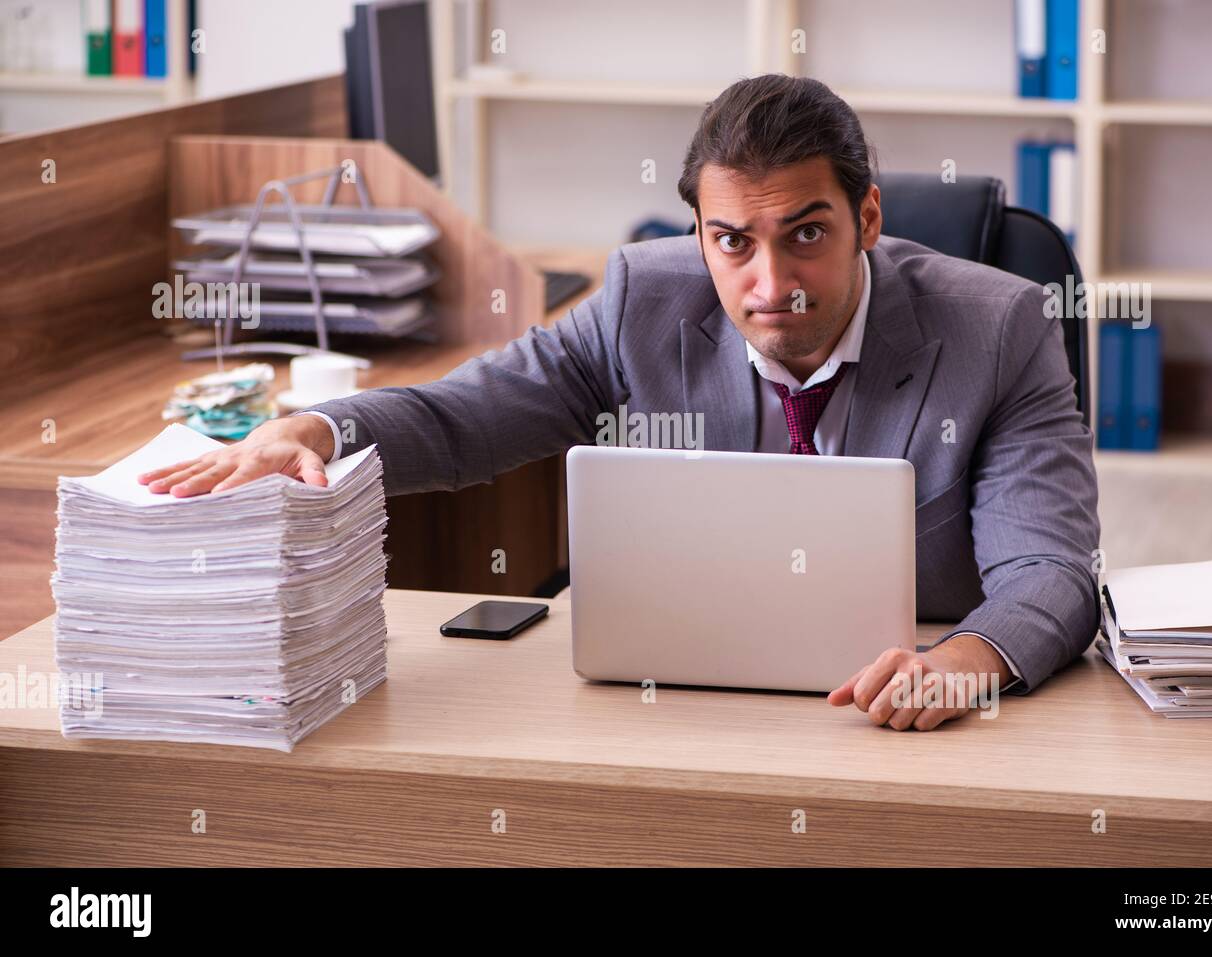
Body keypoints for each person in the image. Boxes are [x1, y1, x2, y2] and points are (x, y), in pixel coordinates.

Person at [139, 74, 1101, 731]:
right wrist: (321, 426)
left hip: (899, 726)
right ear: (697, 235)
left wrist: (965, 662)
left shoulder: (1000, 327)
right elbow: (467, 415)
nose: (770, 281)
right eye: (731, 241)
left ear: (870, 219)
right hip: (677, 705)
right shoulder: (646, 298)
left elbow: (1052, 572)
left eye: (807, 233)